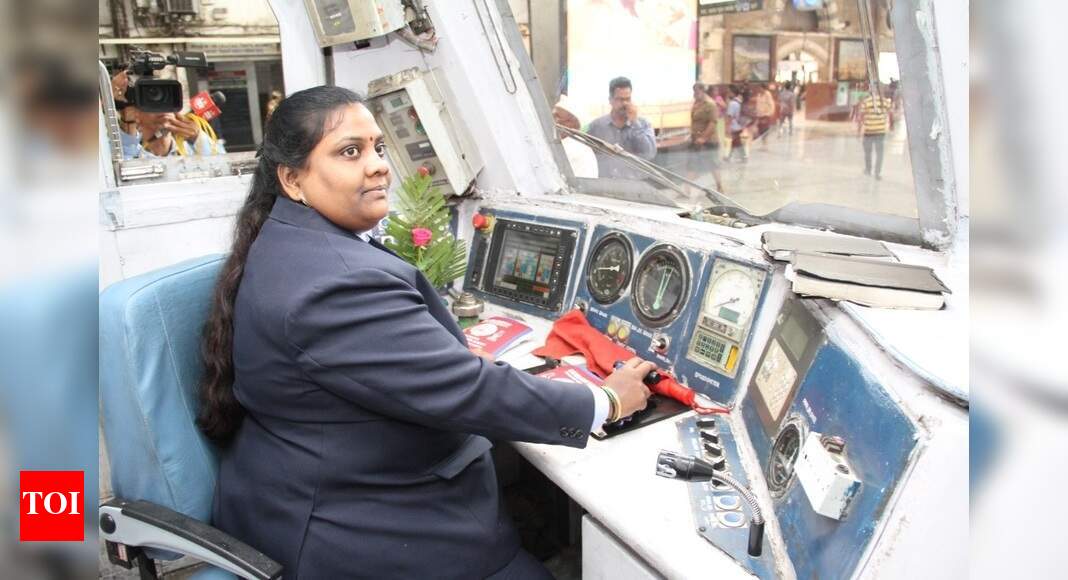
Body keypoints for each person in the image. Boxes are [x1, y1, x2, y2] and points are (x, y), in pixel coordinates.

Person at [198, 86, 655, 579]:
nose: (377, 165)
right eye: (350, 152)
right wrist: (604, 401)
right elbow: (467, 390)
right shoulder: (334, 282)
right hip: (352, 529)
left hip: (309, 484)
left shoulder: (290, 240)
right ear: (292, 179)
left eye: (376, 146)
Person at [586, 76, 657, 179]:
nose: (625, 104)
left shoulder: (643, 125)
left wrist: (635, 123)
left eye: (628, 99)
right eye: (620, 99)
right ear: (610, 100)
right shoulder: (596, 127)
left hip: (635, 187)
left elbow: (649, 153)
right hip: (604, 187)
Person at [688, 83, 723, 191]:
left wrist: (703, 138)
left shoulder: (710, 104)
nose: (695, 94)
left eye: (697, 91)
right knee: (691, 164)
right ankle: (686, 189)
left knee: (712, 164)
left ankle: (719, 187)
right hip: (696, 139)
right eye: (694, 91)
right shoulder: (697, 103)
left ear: (703, 91)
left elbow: (712, 123)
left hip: (709, 141)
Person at [553, 97, 598, 178]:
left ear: (572, 123)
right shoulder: (559, 142)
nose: (552, 120)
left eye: (557, 117)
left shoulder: (577, 148)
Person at [856, 89, 894, 179]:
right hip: (880, 132)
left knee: (868, 152)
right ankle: (877, 173)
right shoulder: (884, 101)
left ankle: (868, 169)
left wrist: (859, 130)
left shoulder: (866, 102)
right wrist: (892, 125)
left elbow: (861, 117)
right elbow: (891, 114)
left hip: (869, 132)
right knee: (879, 153)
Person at [726, 86, 752, 163]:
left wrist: (727, 127)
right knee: (735, 142)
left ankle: (743, 157)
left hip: (734, 126)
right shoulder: (739, 101)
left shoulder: (732, 103)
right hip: (740, 124)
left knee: (736, 142)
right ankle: (730, 156)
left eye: (729, 92)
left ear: (732, 93)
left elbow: (730, 116)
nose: (727, 94)